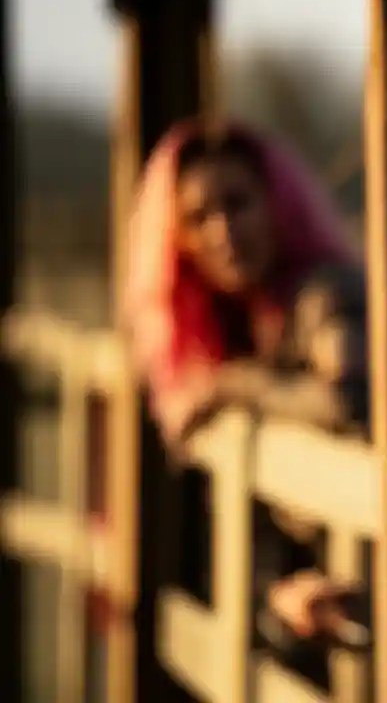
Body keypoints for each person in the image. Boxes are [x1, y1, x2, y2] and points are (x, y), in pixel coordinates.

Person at [121, 120, 371, 673]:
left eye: (238, 203)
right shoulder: (244, 324)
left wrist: (228, 384)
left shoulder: (327, 298)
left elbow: (348, 398)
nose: (222, 231)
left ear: (278, 203)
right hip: (321, 604)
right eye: (197, 217)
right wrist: (278, 595)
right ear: (176, 239)